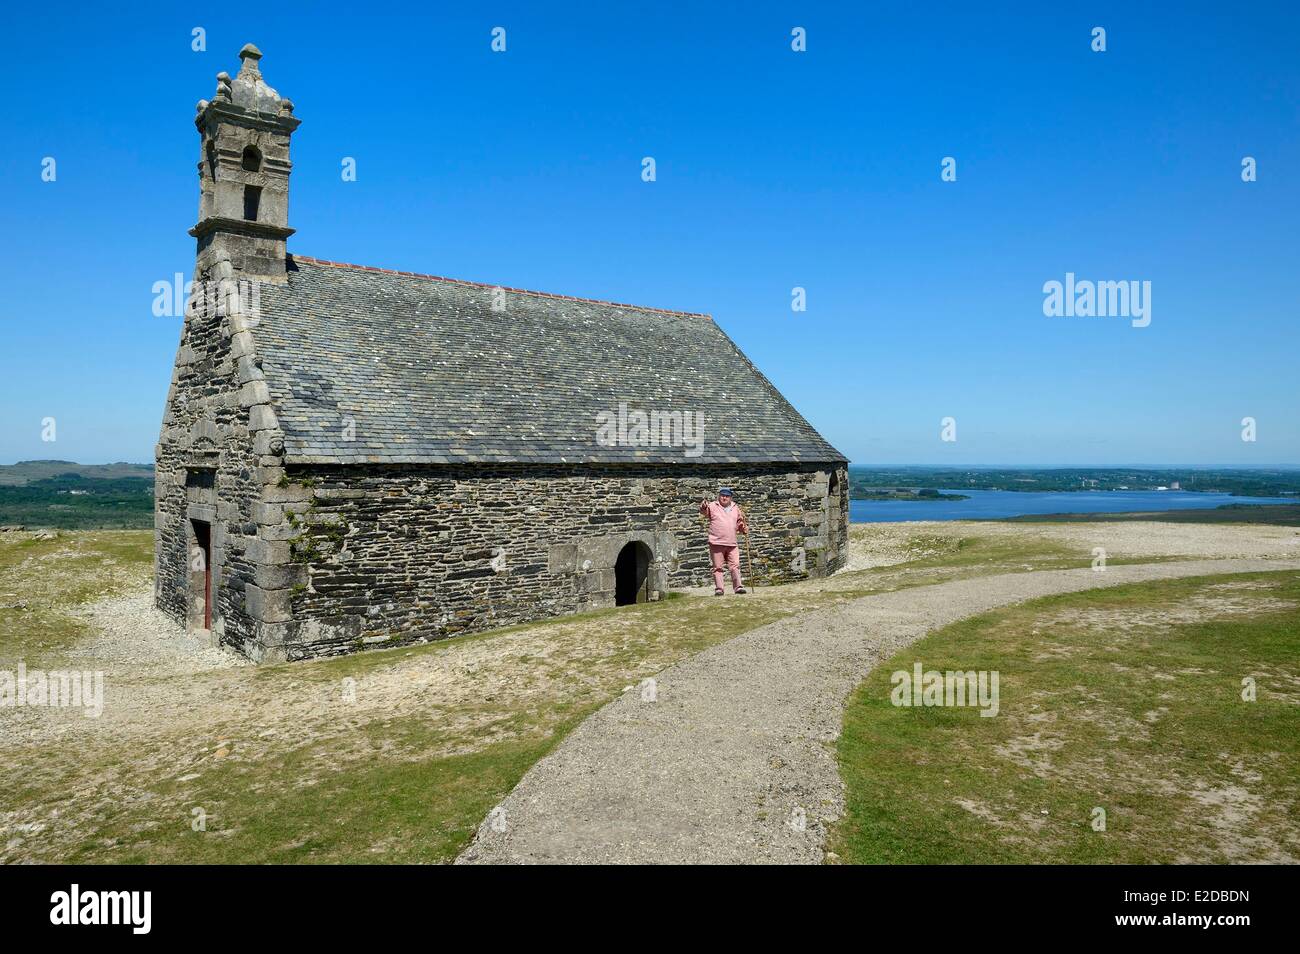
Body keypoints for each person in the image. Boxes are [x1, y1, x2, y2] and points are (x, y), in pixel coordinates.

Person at [699, 488, 748, 596]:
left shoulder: (735, 508)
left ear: (730, 498)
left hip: (732, 542)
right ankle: (719, 589)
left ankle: (738, 587)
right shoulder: (712, 506)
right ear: (719, 496)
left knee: (735, 566)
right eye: (722, 495)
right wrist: (703, 506)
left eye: (727, 496)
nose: (724, 498)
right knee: (718, 567)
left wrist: (743, 528)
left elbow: (740, 521)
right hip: (716, 542)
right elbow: (704, 512)